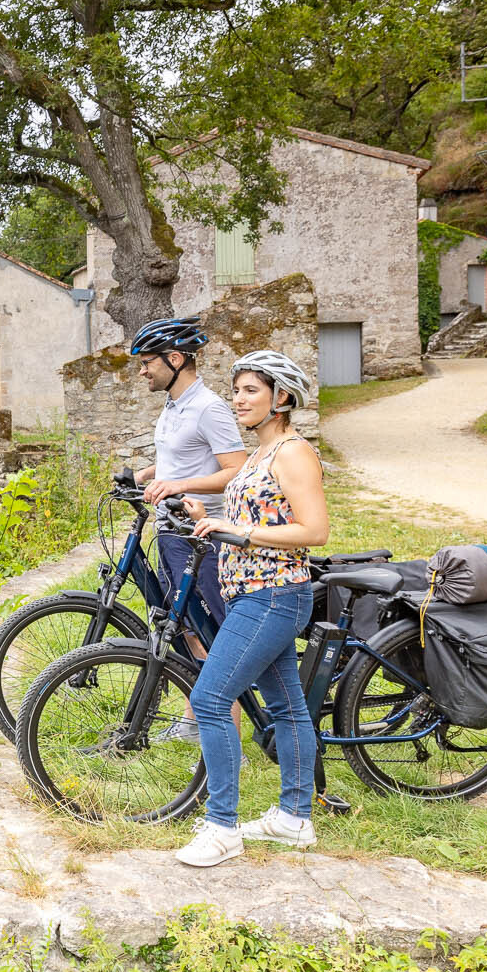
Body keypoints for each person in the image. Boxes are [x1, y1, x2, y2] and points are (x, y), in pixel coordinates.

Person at [175, 350, 329, 868]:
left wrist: (237, 530)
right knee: (288, 707)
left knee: (212, 699)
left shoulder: (292, 452)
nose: (237, 400)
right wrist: (207, 514)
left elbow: (313, 531)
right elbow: (256, 515)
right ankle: (294, 819)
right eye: (236, 390)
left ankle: (221, 827)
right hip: (255, 593)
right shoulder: (260, 454)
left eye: (249, 391)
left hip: (274, 595)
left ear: (280, 398)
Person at [129, 317, 247, 630]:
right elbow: (185, 454)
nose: (142, 371)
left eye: (146, 363)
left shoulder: (208, 408)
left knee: (213, 627)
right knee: (178, 627)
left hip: (199, 536)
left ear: (176, 359)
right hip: (171, 529)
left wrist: (177, 485)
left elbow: (237, 470)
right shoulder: (173, 404)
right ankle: (193, 679)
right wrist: (144, 475)